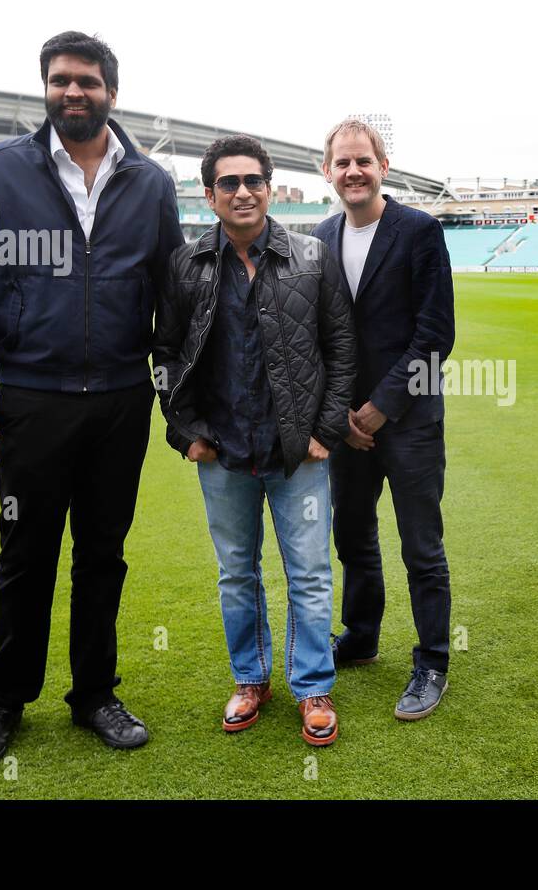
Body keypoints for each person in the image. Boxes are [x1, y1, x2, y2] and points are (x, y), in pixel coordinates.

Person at [0, 31, 184, 771]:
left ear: (112, 89)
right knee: (25, 555)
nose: (72, 92)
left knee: (102, 555)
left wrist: (172, 398)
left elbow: (170, 302)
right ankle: (4, 700)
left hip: (118, 403)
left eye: (86, 81)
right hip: (31, 401)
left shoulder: (150, 182)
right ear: (44, 87)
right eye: (59, 80)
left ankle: (93, 694)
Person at [153, 134, 355, 746]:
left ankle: (312, 687)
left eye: (253, 181)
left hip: (298, 454)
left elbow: (342, 348)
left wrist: (324, 431)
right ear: (209, 195)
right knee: (236, 574)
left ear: (269, 187)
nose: (242, 192)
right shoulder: (185, 264)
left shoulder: (313, 257)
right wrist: (185, 433)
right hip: (221, 453)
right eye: (228, 183)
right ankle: (250, 678)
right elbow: (164, 356)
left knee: (311, 573)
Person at [312, 119, 456, 721]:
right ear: (327, 171)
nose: (353, 172)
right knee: (353, 536)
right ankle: (363, 635)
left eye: (363, 161)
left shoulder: (419, 231)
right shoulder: (320, 236)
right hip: (346, 423)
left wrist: (379, 407)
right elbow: (318, 334)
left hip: (409, 418)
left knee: (421, 544)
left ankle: (432, 661)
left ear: (383, 166)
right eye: (342, 163)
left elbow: (435, 334)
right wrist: (342, 414)